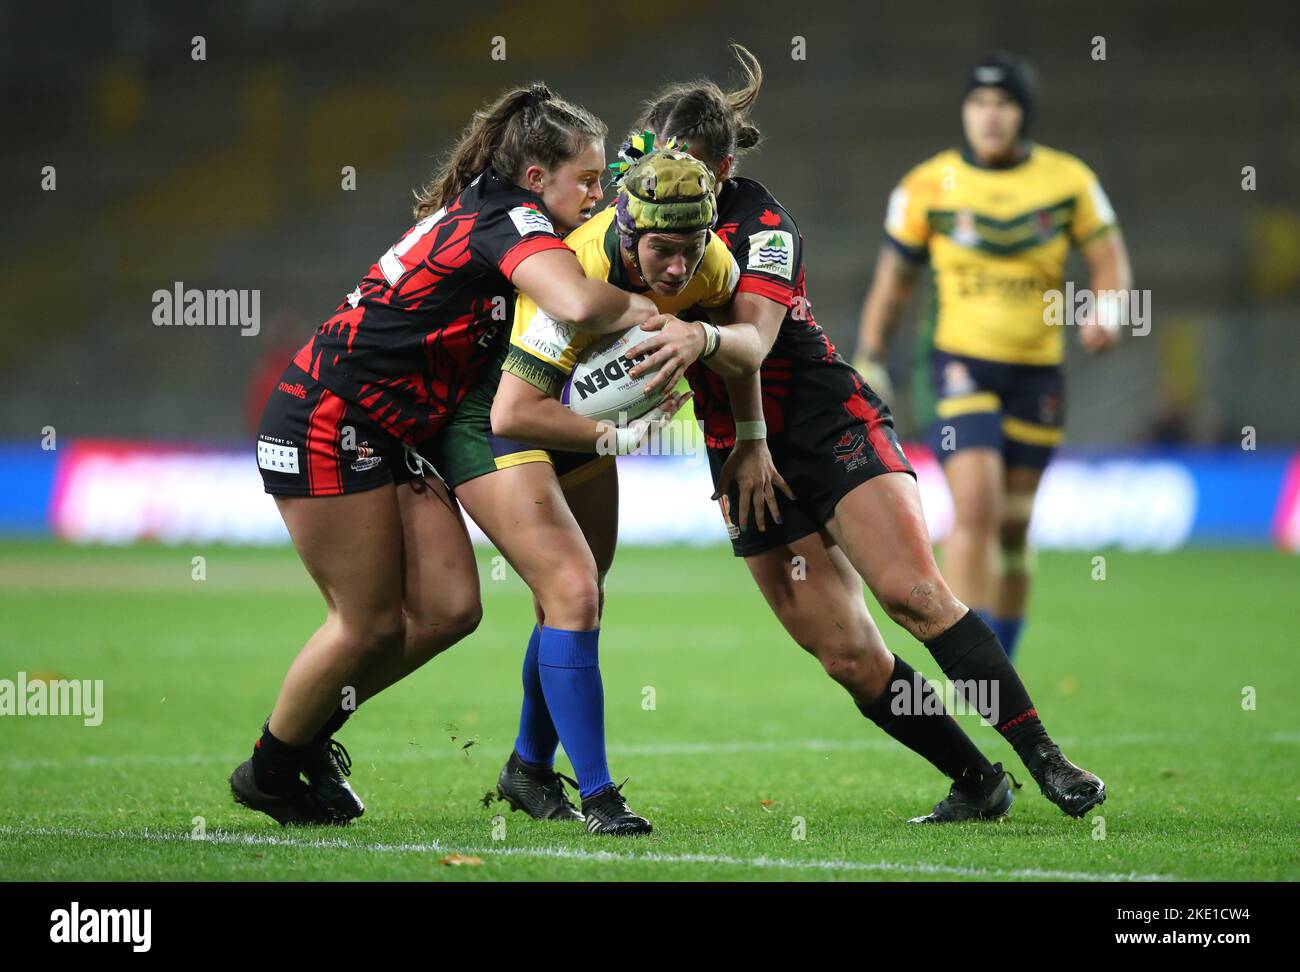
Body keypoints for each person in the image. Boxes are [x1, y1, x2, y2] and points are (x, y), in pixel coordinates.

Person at [630, 44, 1105, 821]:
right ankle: (976, 781)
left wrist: (697, 345)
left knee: (915, 595)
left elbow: (749, 341)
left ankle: (1047, 759)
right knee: (846, 654)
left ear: (718, 174)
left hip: (825, 424)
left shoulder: (764, 225)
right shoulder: (627, 224)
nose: (662, 177)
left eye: (683, 164)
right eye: (655, 159)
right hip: (736, 452)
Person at [230, 83, 660, 826]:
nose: (599, 195)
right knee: (365, 625)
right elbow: (580, 305)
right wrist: (654, 316)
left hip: (391, 425)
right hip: (329, 416)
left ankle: (306, 741)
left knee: (450, 610)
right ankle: (271, 770)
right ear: (535, 180)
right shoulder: (510, 218)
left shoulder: (490, 210)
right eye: (586, 180)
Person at [418, 146, 776, 835]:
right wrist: (616, 438)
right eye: (663, 251)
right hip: (498, 418)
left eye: (692, 247)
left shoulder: (712, 262)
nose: (679, 268)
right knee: (574, 591)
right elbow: (514, 413)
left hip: (578, 421)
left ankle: (527, 768)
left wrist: (753, 439)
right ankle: (601, 796)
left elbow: (736, 349)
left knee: (580, 593)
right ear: (628, 229)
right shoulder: (579, 270)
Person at [855, 53, 1133, 662]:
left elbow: (1110, 262)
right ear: (965, 112)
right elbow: (893, 284)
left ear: (1022, 114)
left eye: (1003, 104)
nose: (990, 116)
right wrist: (870, 357)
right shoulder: (927, 185)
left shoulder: (1068, 181)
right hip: (957, 364)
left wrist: (1109, 312)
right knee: (975, 505)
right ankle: (967, 664)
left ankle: (1001, 667)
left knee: (1012, 528)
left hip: (1037, 373)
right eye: (979, 104)